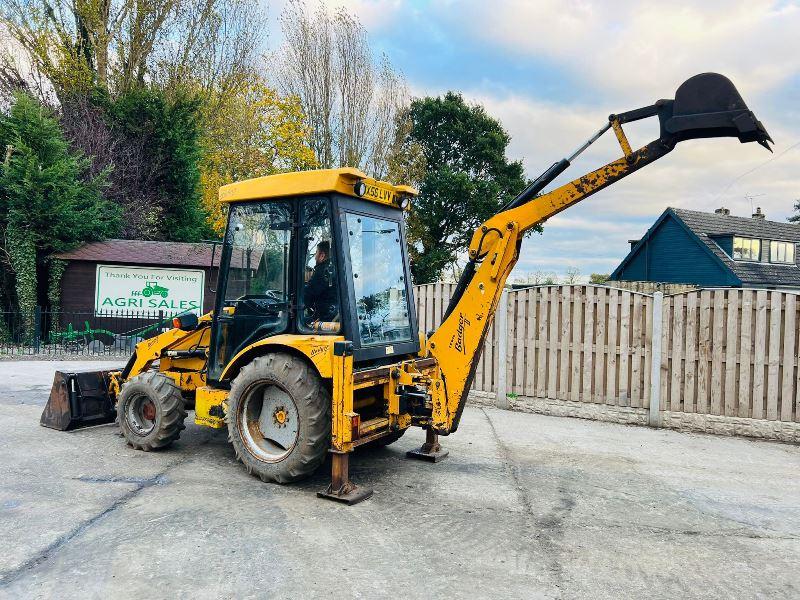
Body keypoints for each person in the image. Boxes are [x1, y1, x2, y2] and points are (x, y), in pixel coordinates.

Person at [303, 240, 338, 322]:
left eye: (316, 253)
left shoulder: (322, 270)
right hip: (333, 312)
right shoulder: (335, 269)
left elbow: (308, 294)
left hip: (324, 317)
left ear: (322, 255)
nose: (315, 256)